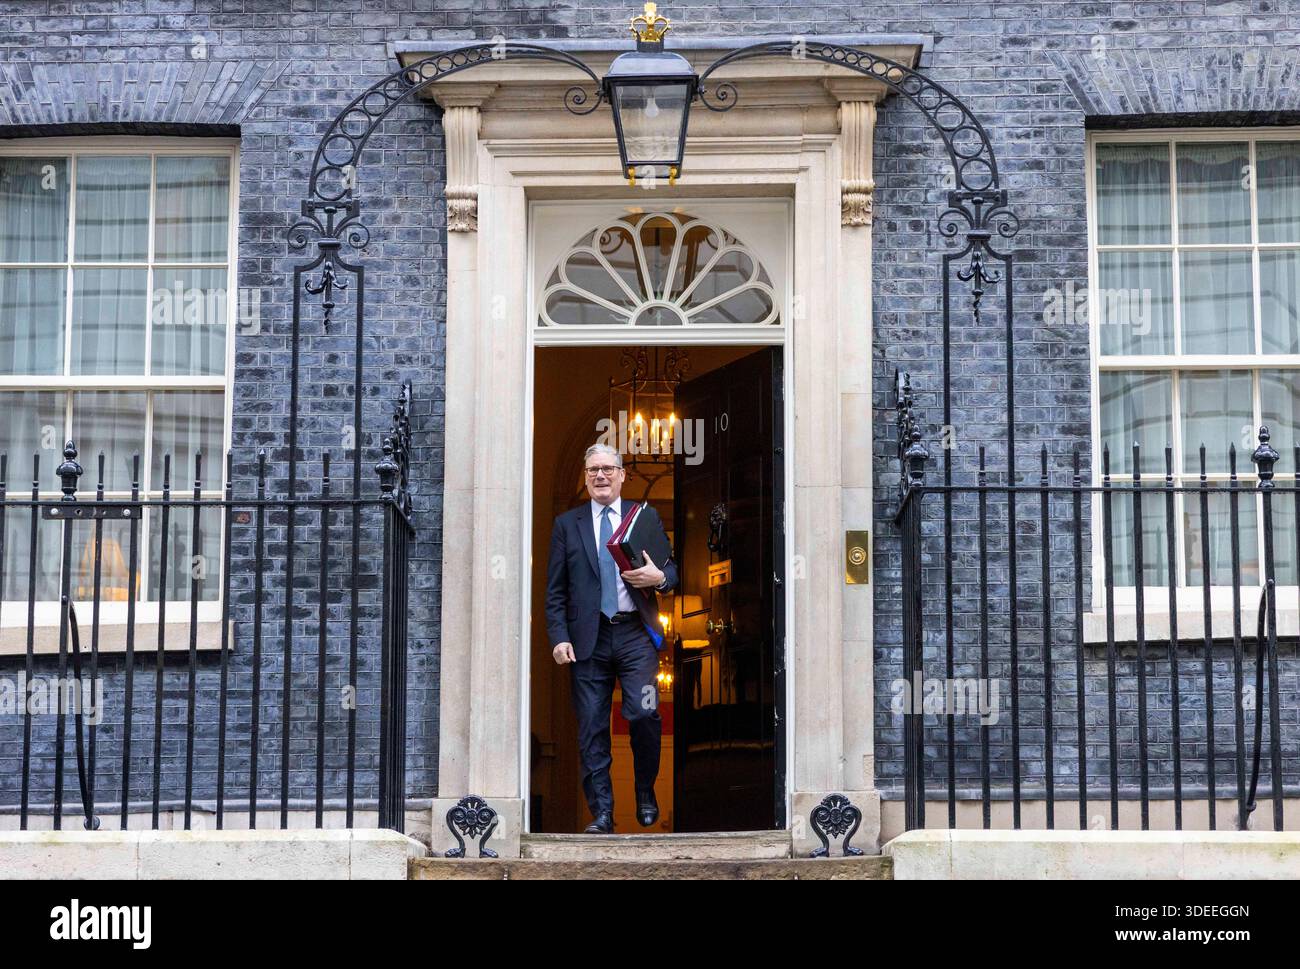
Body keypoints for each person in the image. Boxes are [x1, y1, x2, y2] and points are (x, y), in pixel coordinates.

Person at [545, 442, 678, 833]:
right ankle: (601, 812)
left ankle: (644, 790)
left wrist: (661, 579)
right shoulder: (567, 525)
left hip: (636, 636)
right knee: (591, 727)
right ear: (585, 478)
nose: (600, 476)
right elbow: (555, 590)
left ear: (622, 475)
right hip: (587, 641)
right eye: (592, 471)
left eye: (607, 469)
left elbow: (672, 571)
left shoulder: (644, 518)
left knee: (645, 712)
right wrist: (558, 636)